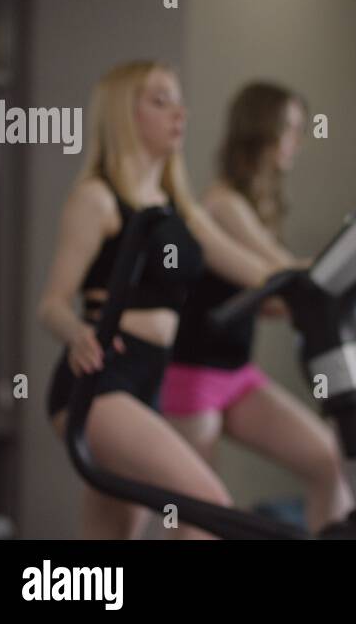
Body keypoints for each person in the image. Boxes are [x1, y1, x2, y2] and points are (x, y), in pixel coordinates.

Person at [39, 60, 277, 539]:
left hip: (149, 384)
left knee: (111, 540)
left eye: (179, 101)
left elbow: (265, 274)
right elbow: (52, 303)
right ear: (125, 114)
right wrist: (78, 333)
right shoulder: (99, 199)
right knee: (209, 508)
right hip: (99, 382)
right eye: (160, 100)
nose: (179, 114)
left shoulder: (180, 210)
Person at [160, 83, 352, 534]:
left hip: (238, 375)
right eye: (288, 129)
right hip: (194, 375)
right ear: (260, 131)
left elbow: (271, 303)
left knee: (330, 461)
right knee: (196, 518)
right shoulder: (223, 203)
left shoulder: (248, 204)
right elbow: (283, 274)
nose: (295, 142)